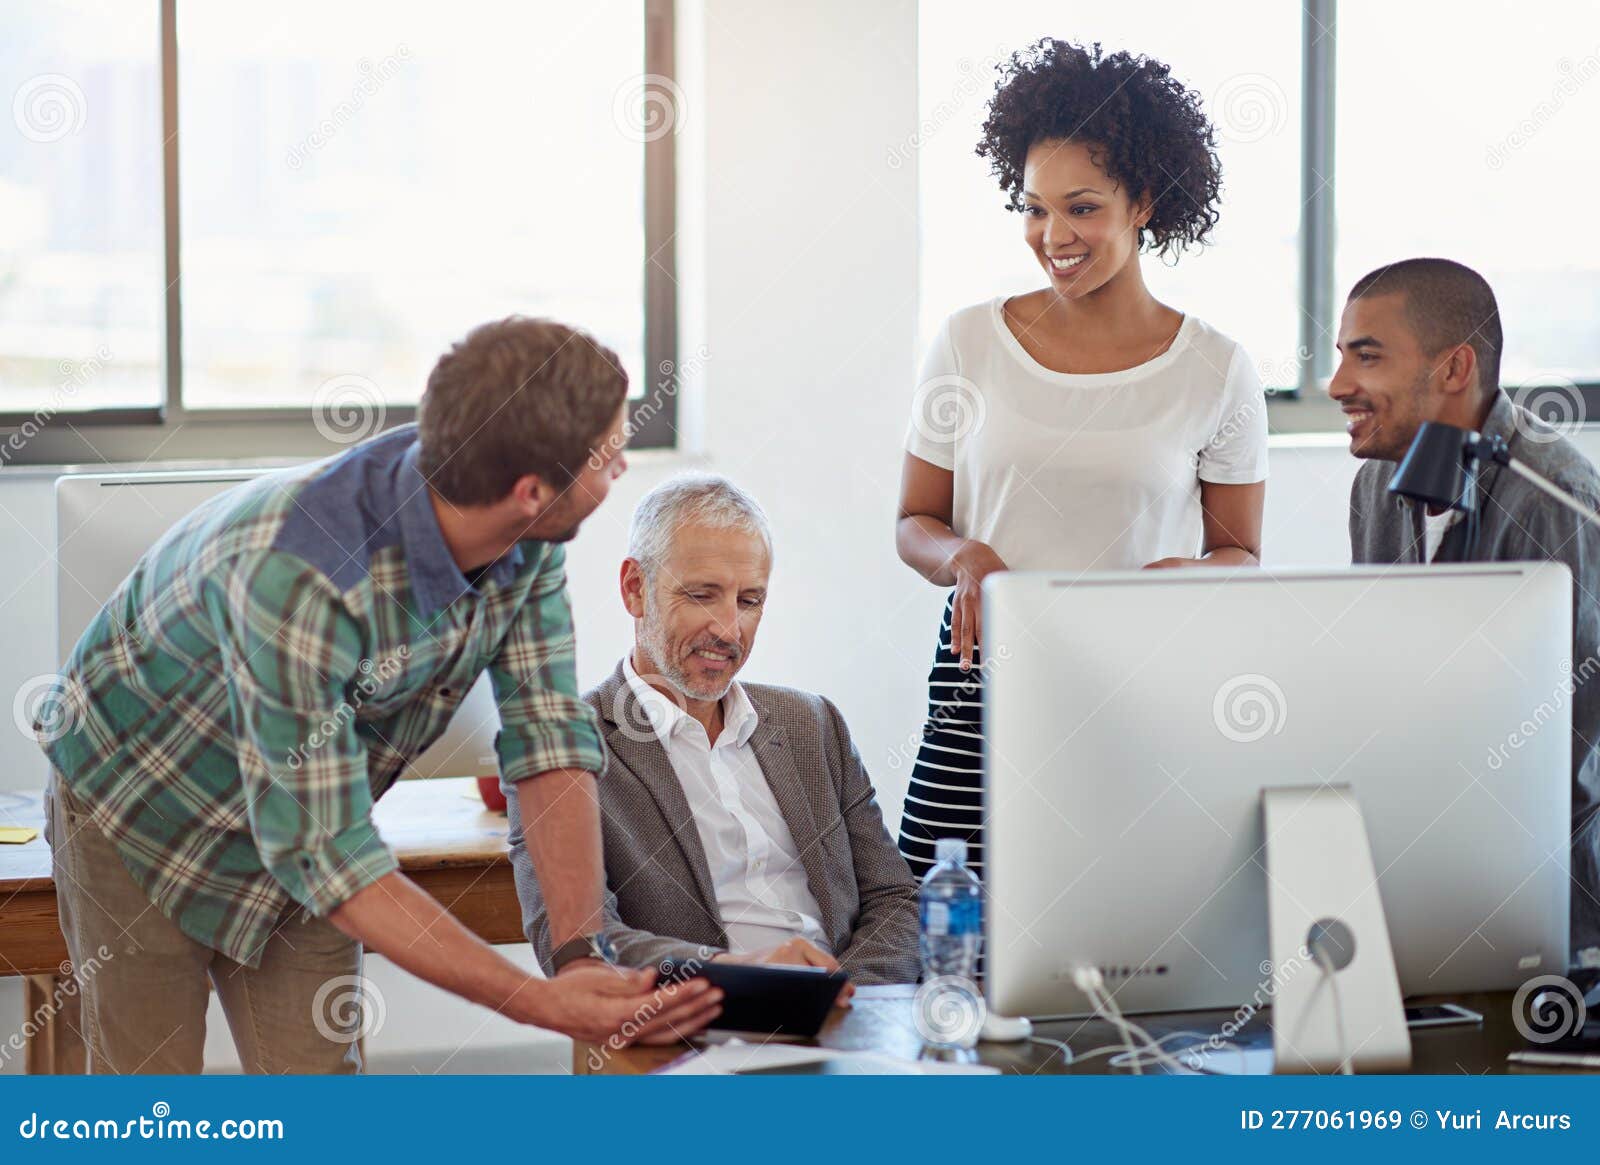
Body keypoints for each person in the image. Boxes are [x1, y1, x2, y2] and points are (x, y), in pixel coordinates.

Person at [36, 316, 720, 1073]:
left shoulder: (527, 541)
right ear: (531, 489)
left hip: (308, 815)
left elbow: (548, 740)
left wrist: (580, 956)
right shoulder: (300, 575)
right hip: (143, 805)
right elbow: (327, 852)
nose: (621, 467)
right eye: (608, 454)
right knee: (149, 1103)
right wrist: (535, 999)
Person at [894, 40, 1269, 884]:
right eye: (1033, 208)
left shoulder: (1216, 366)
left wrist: (1191, 581)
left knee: (1132, 927)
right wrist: (965, 556)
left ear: (1144, 201)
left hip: (1140, 693)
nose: (1053, 237)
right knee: (941, 929)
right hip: (976, 692)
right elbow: (912, 522)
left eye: (1083, 208)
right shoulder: (967, 341)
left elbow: (1241, 553)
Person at [510, 474, 920, 988]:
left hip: (852, 1023)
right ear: (635, 589)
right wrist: (753, 983)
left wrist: (844, 999)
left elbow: (894, 898)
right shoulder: (561, 747)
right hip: (691, 1035)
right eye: (703, 595)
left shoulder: (813, 724)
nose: (729, 630)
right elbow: (578, 944)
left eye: (749, 601)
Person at [1334, 257, 1600, 966]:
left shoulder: (1554, 496)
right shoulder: (1376, 484)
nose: (1337, 385)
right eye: (1339, 357)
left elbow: (1572, 748)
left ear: (1455, 368)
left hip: (1549, 912)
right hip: (1419, 875)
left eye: (1367, 357)